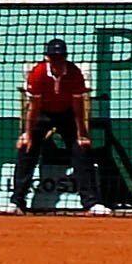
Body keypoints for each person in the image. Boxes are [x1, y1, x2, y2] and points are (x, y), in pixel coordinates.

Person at [12, 36, 98, 211]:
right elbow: (33, 107)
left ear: (65, 57)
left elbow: (78, 105)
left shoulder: (74, 73)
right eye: (54, 57)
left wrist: (82, 134)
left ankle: (91, 203)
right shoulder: (38, 73)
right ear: (48, 58)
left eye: (60, 57)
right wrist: (27, 134)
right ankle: (17, 201)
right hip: (43, 113)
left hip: (67, 114)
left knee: (81, 151)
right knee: (26, 149)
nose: (57, 61)